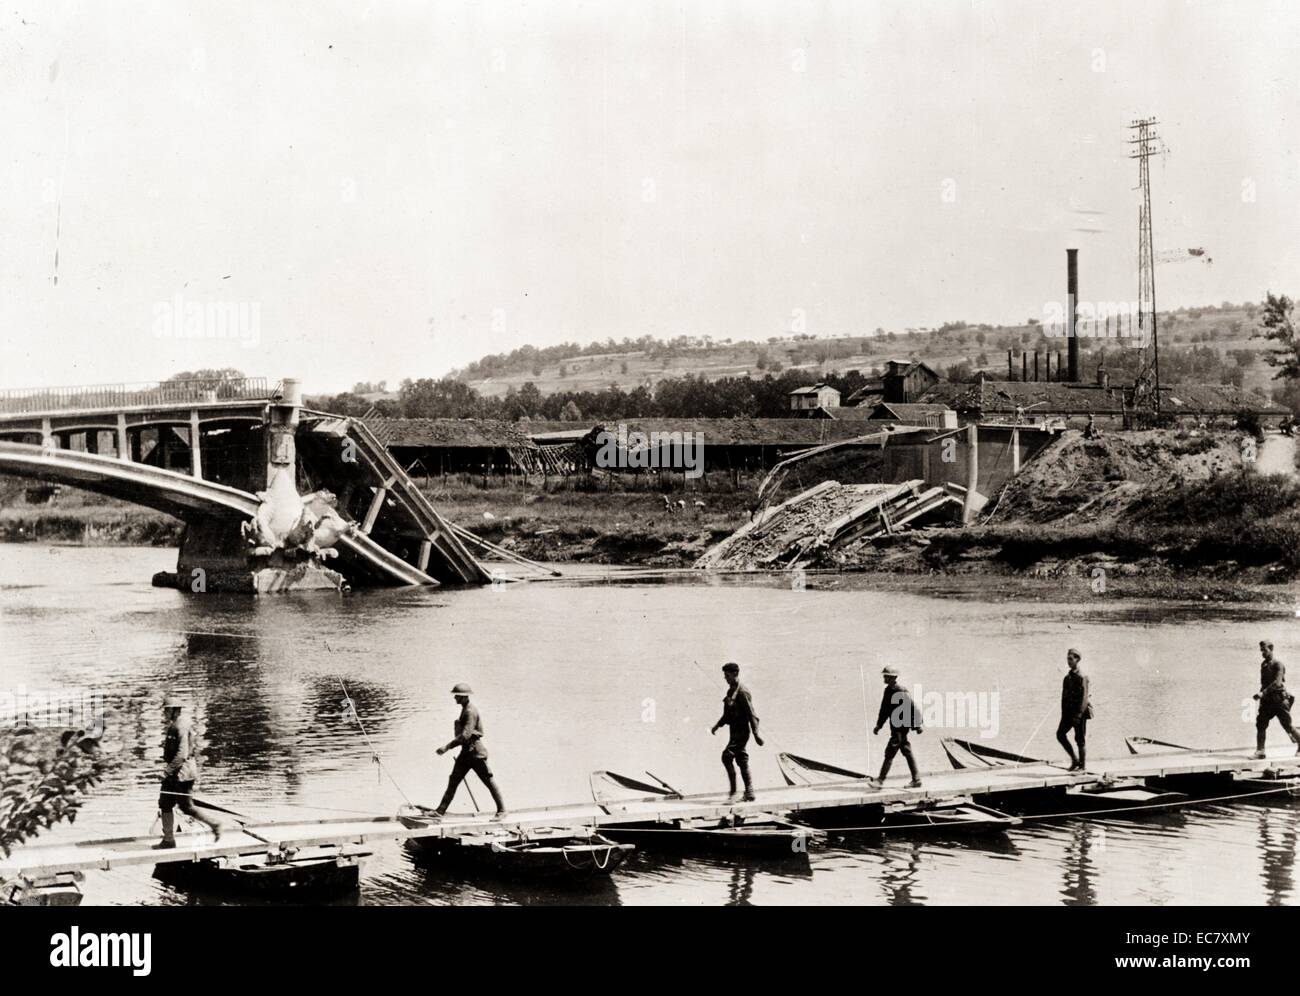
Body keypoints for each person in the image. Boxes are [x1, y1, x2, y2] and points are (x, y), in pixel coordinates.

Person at [153, 696, 221, 849]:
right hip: (176, 774)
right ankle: (169, 840)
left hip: (181, 774)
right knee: (166, 803)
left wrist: (166, 771)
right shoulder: (176, 725)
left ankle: (215, 824)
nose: (164, 712)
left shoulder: (180, 726)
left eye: (166, 710)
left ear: (174, 710)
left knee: (185, 806)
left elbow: (182, 754)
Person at [430, 683, 506, 818]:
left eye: (457, 695)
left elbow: (465, 735)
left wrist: (446, 747)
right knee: (453, 780)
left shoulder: (470, 711)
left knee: (488, 781)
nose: (455, 698)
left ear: (464, 697)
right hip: (466, 753)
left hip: (475, 754)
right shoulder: (466, 708)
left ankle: (502, 811)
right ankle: (440, 811)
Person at [711, 662, 763, 801]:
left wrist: (756, 734)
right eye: (724, 675)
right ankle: (749, 793)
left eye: (727, 675)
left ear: (735, 674)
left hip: (742, 732)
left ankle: (733, 793)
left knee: (726, 756)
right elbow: (727, 715)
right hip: (733, 731)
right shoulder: (730, 692)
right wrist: (717, 725)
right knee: (741, 759)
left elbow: (752, 714)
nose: (725, 678)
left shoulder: (742, 692)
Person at [872, 666, 923, 788]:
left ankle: (880, 780)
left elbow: (912, 707)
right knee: (906, 750)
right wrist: (879, 725)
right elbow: (884, 710)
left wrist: (917, 725)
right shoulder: (888, 690)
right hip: (895, 725)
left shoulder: (900, 690)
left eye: (886, 676)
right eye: (884, 676)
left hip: (901, 726)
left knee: (890, 752)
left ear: (892, 677)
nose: (884, 678)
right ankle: (916, 780)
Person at [1254, 641, 1300, 759]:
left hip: (1279, 701)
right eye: (1261, 651)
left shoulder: (1278, 664)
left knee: (1288, 726)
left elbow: (1277, 683)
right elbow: (1264, 683)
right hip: (1267, 701)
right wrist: (1261, 697)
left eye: (1265, 650)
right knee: (1260, 724)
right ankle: (1260, 751)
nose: (1263, 653)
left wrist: (1262, 693)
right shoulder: (1264, 665)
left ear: (1271, 649)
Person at [1057, 649, 1093, 770]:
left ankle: (1082, 767)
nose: (1069, 662)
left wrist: (1078, 715)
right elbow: (1064, 698)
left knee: (1080, 739)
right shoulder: (1067, 678)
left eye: (1071, 659)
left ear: (1077, 660)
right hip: (1068, 713)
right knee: (1060, 734)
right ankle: (1075, 760)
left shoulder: (1082, 677)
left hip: (1080, 713)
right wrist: (1063, 715)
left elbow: (1084, 698)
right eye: (1068, 659)